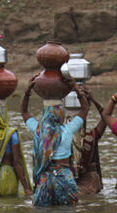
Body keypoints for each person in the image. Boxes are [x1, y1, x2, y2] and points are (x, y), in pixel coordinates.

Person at [20, 77, 89, 206]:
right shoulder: (67, 130)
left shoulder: (39, 131)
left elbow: (24, 112)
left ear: (45, 115)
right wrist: (75, 88)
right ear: (60, 115)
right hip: (65, 177)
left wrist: (27, 91)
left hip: (45, 179)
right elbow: (85, 109)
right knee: (68, 212)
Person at [71, 88, 106, 196]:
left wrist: (93, 99)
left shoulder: (90, 138)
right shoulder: (63, 136)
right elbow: (105, 117)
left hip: (86, 185)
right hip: (76, 184)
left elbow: (106, 118)